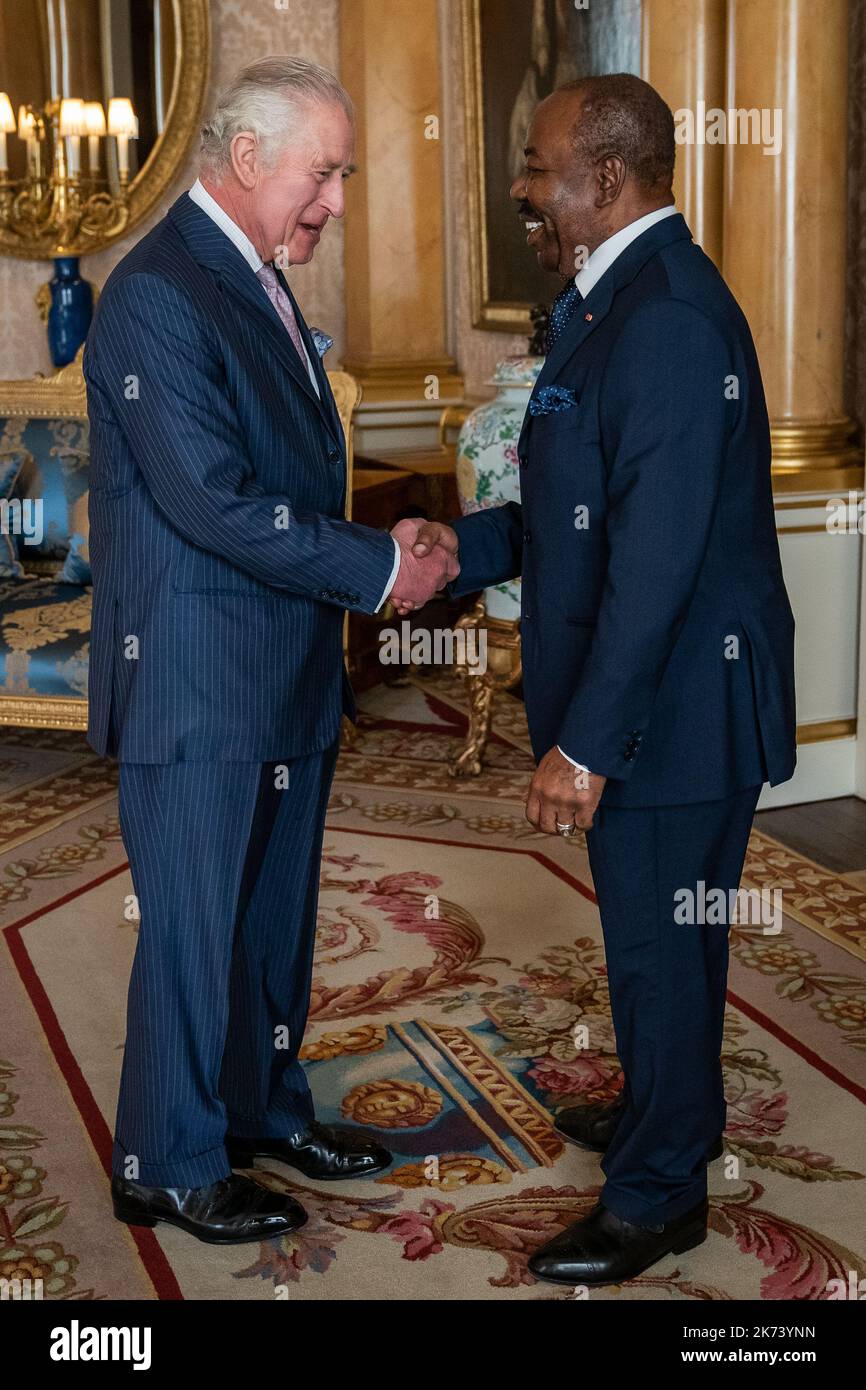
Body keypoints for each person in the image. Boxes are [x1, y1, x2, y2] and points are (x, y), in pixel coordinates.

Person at [408, 72, 796, 1286]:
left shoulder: (668, 316)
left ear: (606, 180)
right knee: (648, 941)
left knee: (661, 947)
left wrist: (582, 742)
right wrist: (458, 550)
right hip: (652, 701)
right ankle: (659, 1116)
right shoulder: (611, 298)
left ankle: (656, 1196)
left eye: (535, 167)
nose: (522, 189)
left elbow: (657, 558)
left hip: (673, 709)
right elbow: (579, 513)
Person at [83, 56, 456, 1245]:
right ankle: (169, 1160)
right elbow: (213, 499)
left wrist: (370, 540)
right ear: (246, 160)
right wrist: (378, 570)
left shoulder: (247, 269)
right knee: (194, 928)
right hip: (198, 678)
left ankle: (259, 1105)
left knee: (269, 923)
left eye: (342, 173)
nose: (337, 199)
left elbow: (290, 468)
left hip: (281, 668)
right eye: (325, 172)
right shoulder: (156, 290)